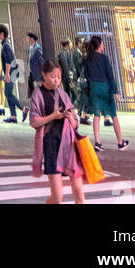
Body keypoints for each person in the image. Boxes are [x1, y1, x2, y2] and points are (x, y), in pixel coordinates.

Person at [29, 57, 84, 205]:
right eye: (53, 77)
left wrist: (70, 118)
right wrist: (53, 116)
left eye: (59, 77)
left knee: (79, 194)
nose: (56, 81)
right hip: (51, 145)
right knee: (57, 197)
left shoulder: (63, 94)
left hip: (68, 145)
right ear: (44, 75)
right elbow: (34, 121)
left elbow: (75, 122)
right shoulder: (38, 94)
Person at [85, 34, 128, 151]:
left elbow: (86, 75)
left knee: (97, 115)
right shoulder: (104, 58)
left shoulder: (88, 59)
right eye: (102, 43)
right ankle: (120, 142)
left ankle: (97, 142)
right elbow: (110, 75)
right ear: (99, 46)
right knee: (113, 115)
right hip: (105, 87)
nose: (103, 45)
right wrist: (115, 91)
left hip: (94, 87)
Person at [0, 25, 19, 123]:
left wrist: (7, 75)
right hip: (11, 72)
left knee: (8, 93)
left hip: (11, 73)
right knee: (8, 93)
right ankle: (13, 116)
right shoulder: (5, 44)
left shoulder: (6, 45)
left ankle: (23, 109)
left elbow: (8, 61)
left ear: (2, 34)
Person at [24, 31, 44, 121]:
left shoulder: (37, 48)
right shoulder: (30, 48)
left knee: (38, 93)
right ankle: (31, 109)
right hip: (32, 73)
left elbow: (41, 61)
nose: (29, 40)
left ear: (33, 39)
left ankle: (30, 109)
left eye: (30, 38)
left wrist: (42, 73)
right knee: (33, 92)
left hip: (38, 74)